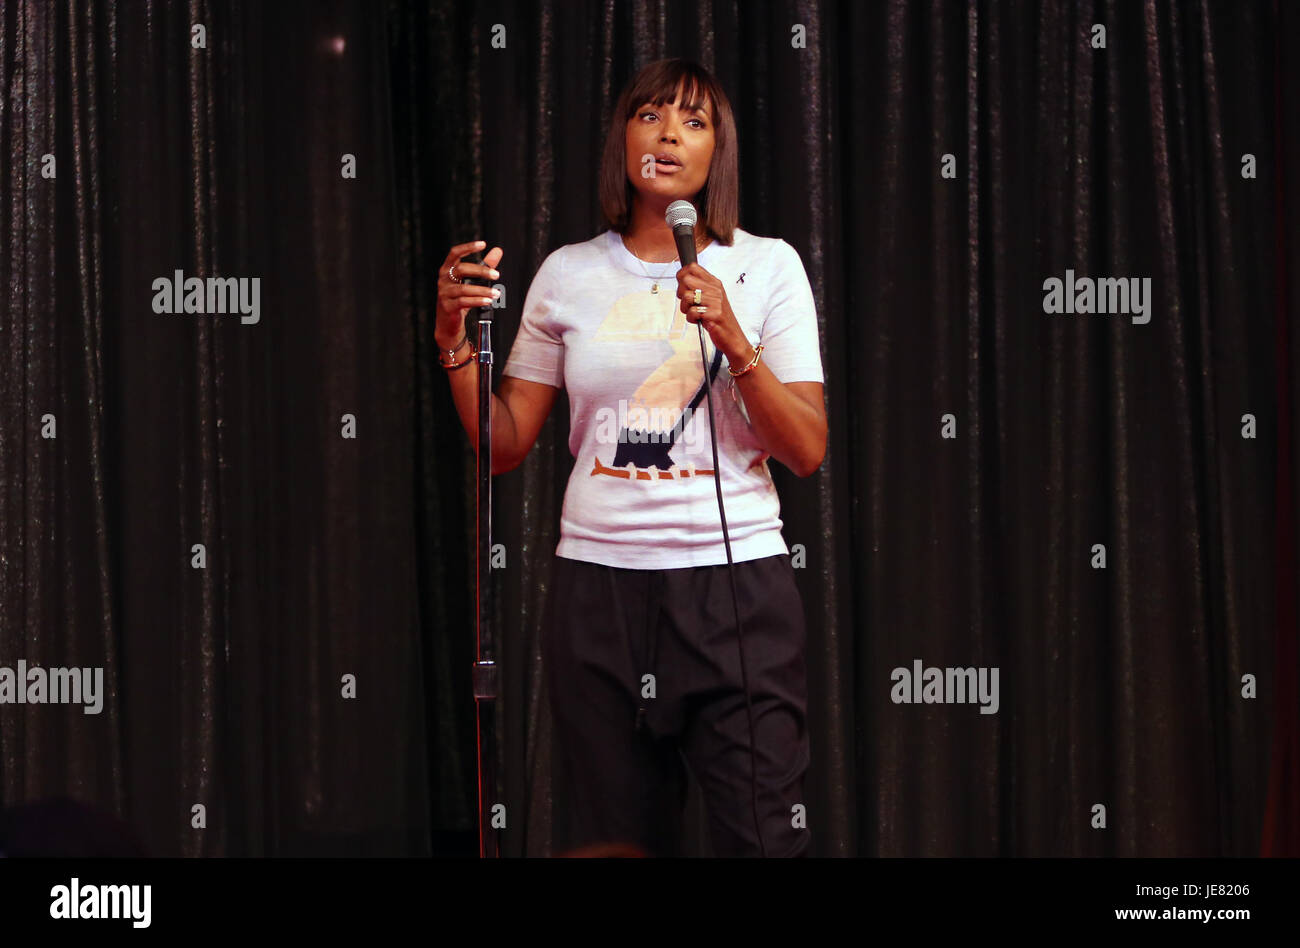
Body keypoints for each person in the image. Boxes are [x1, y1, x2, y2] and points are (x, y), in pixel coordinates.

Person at [434, 58, 826, 857]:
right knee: (618, 842)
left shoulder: (767, 266)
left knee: (763, 839)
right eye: (650, 115)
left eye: (694, 119)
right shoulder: (568, 275)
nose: (670, 132)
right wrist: (450, 345)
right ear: (624, 140)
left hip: (735, 592)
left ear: (719, 150)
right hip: (599, 594)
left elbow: (806, 448)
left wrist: (733, 336)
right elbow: (503, 444)